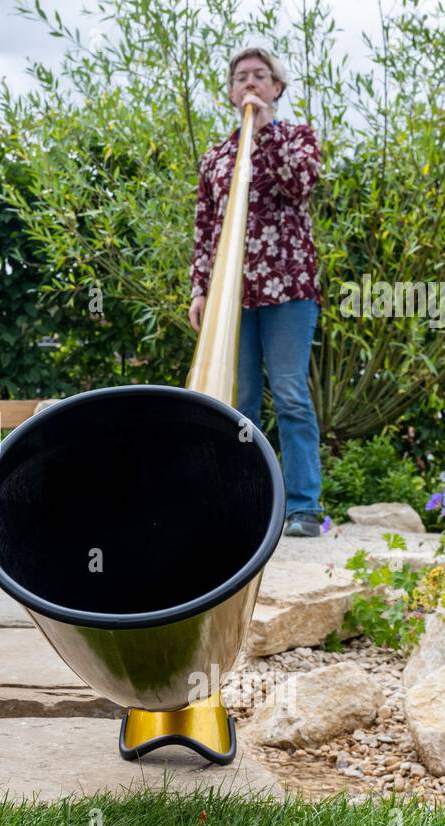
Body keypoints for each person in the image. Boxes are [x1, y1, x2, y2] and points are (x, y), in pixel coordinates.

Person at [188, 46, 324, 537]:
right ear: (229, 91)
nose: (250, 83)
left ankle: (304, 508)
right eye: (241, 77)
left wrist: (265, 133)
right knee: (239, 403)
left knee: (290, 394)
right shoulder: (215, 158)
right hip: (232, 298)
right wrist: (199, 290)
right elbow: (206, 229)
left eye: (260, 76)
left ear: (277, 88)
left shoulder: (298, 139)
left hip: (289, 287)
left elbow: (300, 185)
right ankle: (245, 508)